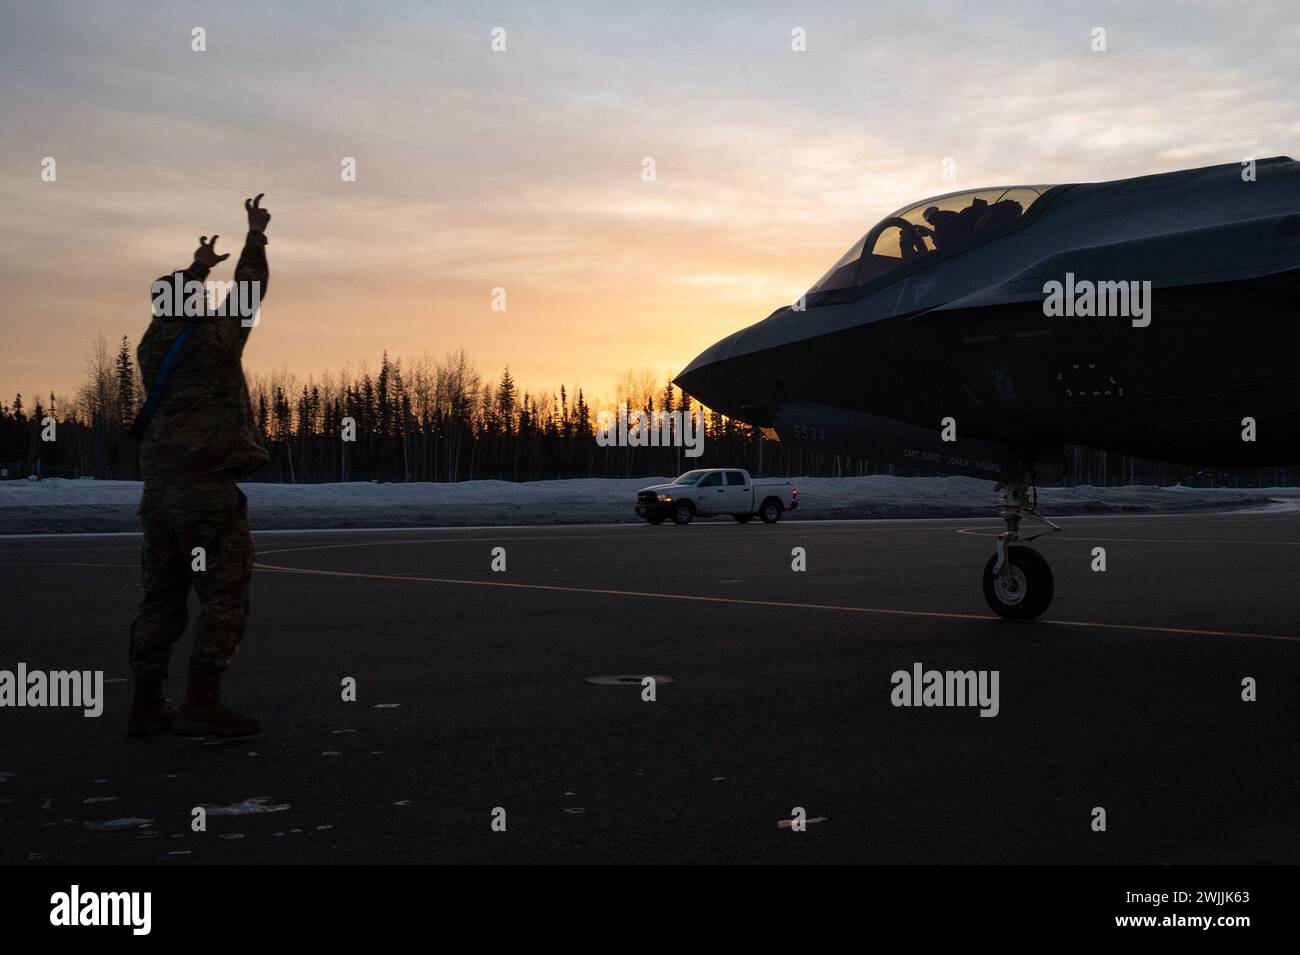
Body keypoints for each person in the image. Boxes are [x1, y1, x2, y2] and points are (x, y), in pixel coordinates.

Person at [126, 195, 271, 738]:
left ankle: (145, 702)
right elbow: (251, 290)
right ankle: (202, 700)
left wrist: (195, 269)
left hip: (159, 489)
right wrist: (255, 236)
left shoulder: (153, 342)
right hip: (206, 491)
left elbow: (176, 301)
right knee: (224, 594)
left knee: (161, 595)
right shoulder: (213, 339)